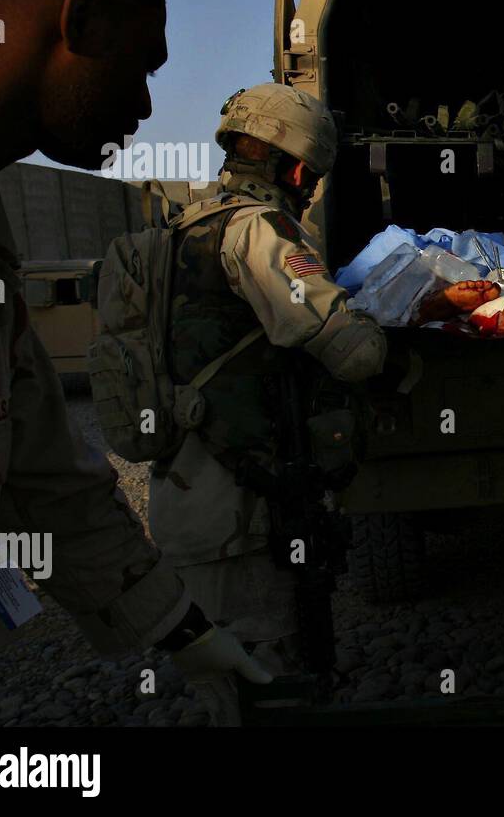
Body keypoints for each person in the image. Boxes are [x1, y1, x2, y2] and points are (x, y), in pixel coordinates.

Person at [0, 0, 266, 725]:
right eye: (143, 64)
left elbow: (44, 473)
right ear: (78, 20)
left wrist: (178, 628)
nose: (148, 106)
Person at [147, 82, 390, 724]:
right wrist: (397, 316)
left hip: (190, 497)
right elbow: (354, 353)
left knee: (231, 685)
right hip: (245, 513)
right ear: (301, 168)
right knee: (270, 686)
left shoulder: (178, 231)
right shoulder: (260, 232)